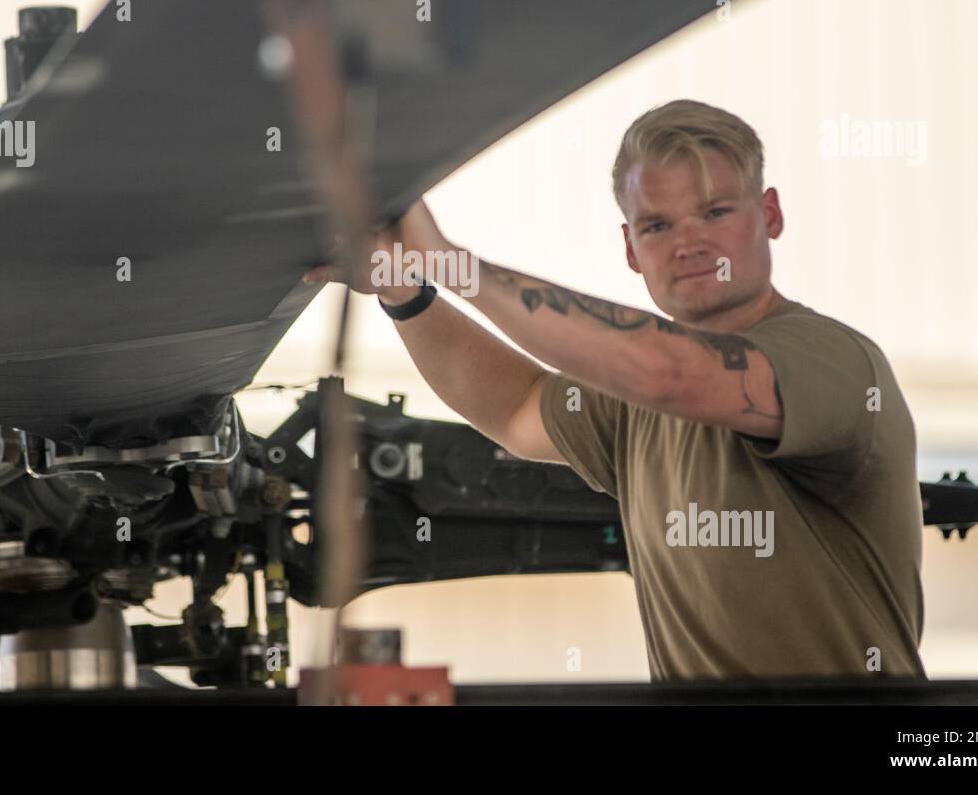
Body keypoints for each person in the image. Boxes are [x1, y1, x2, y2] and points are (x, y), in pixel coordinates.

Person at [304, 99, 925, 680]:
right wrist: (405, 292)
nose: (688, 243)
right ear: (630, 248)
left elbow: (670, 373)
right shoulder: (633, 398)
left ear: (770, 215)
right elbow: (517, 408)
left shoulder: (836, 362)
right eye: (657, 225)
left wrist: (456, 265)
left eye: (715, 212)